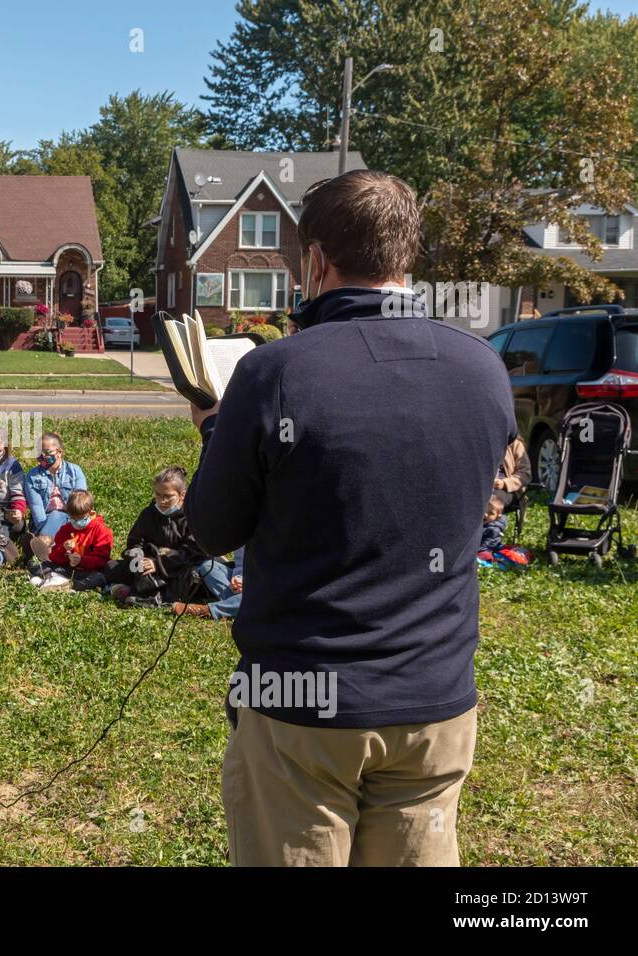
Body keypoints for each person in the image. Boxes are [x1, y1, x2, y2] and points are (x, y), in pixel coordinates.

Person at [185, 170, 517, 867]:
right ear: (405, 257)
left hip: (302, 708)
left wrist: (216, 429)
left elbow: (213, 529)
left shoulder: (275, 372)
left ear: (315, 259)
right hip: (435, 700)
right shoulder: (483, 368)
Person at [105, 466, 208, 608]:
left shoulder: (192, 516)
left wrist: (158, 564)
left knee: (193, 576)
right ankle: (145, 591)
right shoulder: (149, 514)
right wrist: (139, 559)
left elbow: (192, 552)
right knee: (112, 567)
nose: (162, 501)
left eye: (168, 496)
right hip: (147, 566)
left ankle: (141, 593)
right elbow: (135, 542)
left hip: (175, 567)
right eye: (158, 494)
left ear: (182, 495)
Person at [23, 432, 88, 569]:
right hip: (44, 520)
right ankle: (46, 547)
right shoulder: (32, 476)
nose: (43, 456)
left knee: (60, 516)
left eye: (47, 452)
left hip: (72, 518)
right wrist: (43, 528)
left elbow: (79, 502)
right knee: (55, 515)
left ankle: (42, 546)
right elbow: (36, 508)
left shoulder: (75, 471)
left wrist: (73, 522)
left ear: (59, 452)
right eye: (40, 453)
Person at [30, 490, 112, 591]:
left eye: (80, 519)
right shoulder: (66, 529)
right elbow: (54, 557)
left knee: (99, 577)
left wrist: (82, 560)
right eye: (73, 519)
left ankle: (65, 583)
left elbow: (102, 560)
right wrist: (63, 548)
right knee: (38, 565)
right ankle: (58, 581)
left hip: (89, 571)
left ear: (91, 512)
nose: (76, 523)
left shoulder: (100, 530)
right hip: (67, 569)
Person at [493, 435, 530, 509]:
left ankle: (497, 519)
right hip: (482, 487)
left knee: (494, 501)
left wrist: (504, 483)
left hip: (507, 489)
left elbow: (525, 474)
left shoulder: (515, 444)